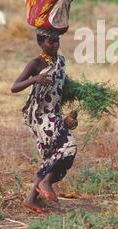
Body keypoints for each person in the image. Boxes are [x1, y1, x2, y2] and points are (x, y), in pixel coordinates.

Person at [11, 30, 77, 213]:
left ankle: (31, 199)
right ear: (41, 42)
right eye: (50, 41)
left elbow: (60, 90)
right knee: (68, 147)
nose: (55, 44)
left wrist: (67, 119)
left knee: (51, 157)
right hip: (40, 116)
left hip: (54, 114)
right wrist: (35, 79)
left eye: (57, 40)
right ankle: (46, 182)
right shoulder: (35, 63)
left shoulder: (61, 61)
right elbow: (14, 87)